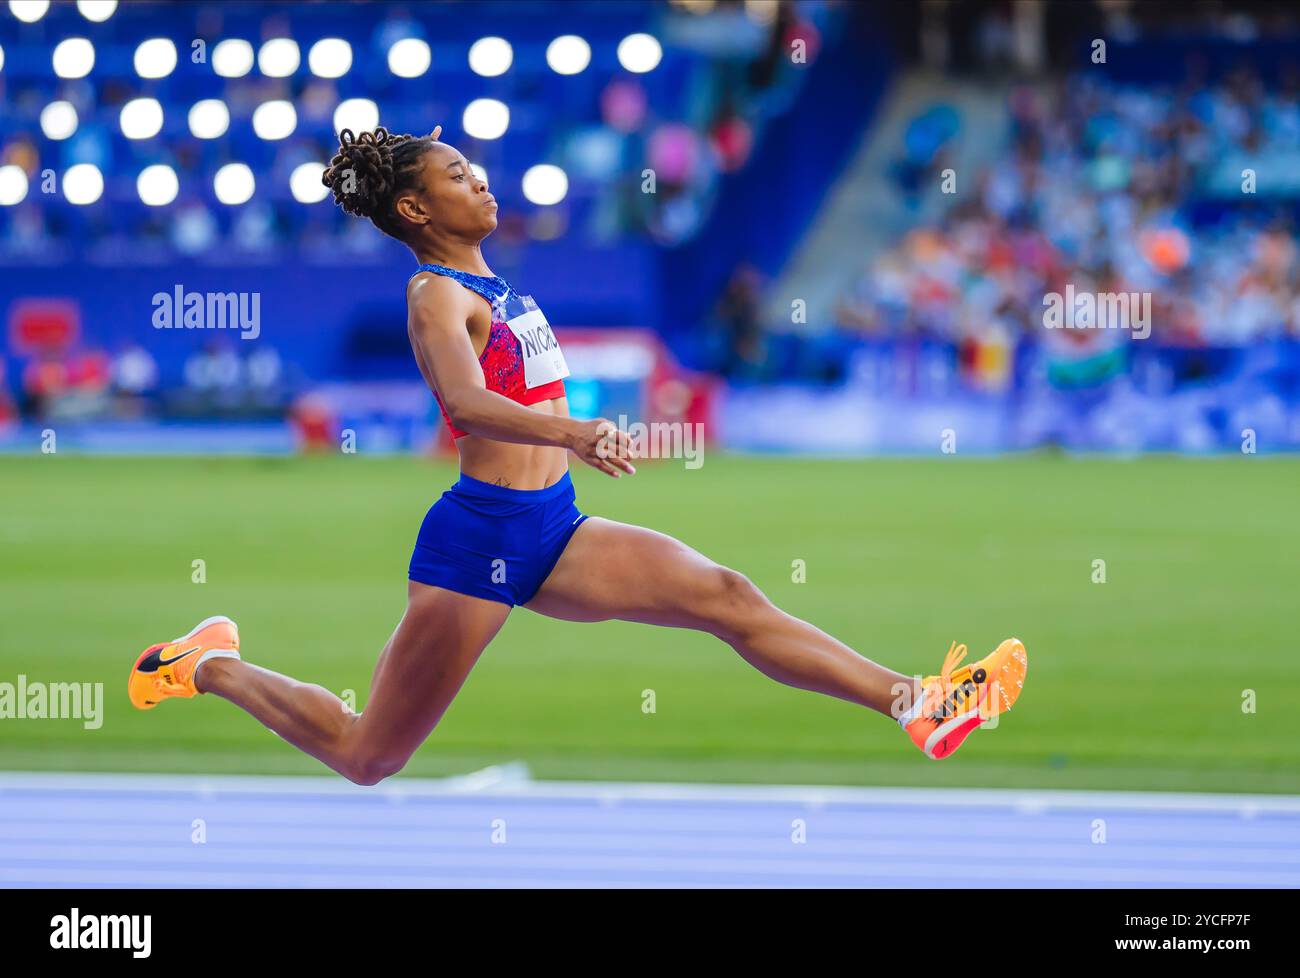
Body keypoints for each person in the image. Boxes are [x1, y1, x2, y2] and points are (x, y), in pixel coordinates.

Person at [128, 126, 1027, 782]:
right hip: (478, 541)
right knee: (369, 755)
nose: (481, 185)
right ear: (413, 208)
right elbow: (461, 404)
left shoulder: (491, 281)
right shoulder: (436, 295)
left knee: (726, 596)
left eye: (475, 171)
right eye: (458, 177)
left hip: (553, 526)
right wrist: (574, 430)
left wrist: (566, 443)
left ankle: (917, 702)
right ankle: (206, 663)